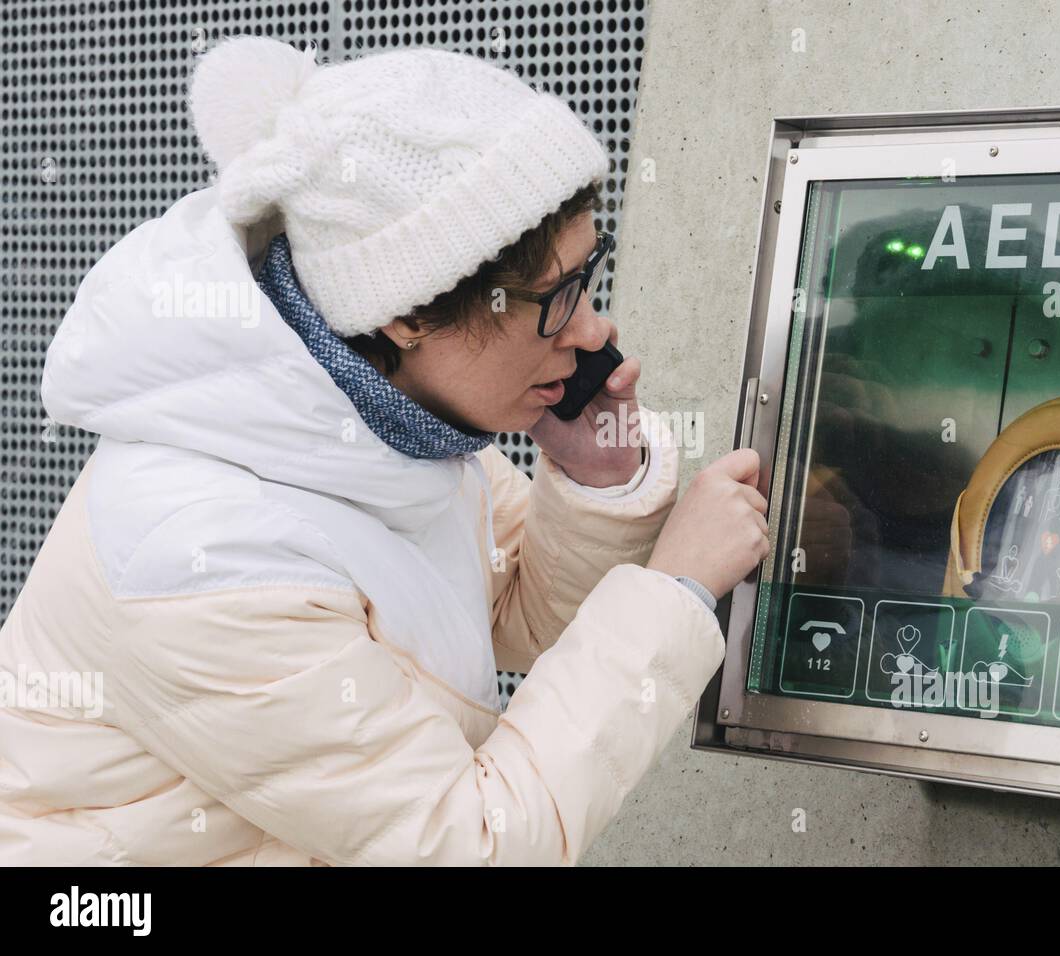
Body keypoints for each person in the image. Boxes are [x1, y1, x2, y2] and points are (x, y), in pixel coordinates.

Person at [0, 36, 768, 865]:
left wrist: (595, 475)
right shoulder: (204, 556)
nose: (592, 332)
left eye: (592, 275)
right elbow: (468, 847)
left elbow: (519, 616)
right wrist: (675, 591)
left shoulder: (377, 414)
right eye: (556, 299)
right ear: (405, 314)